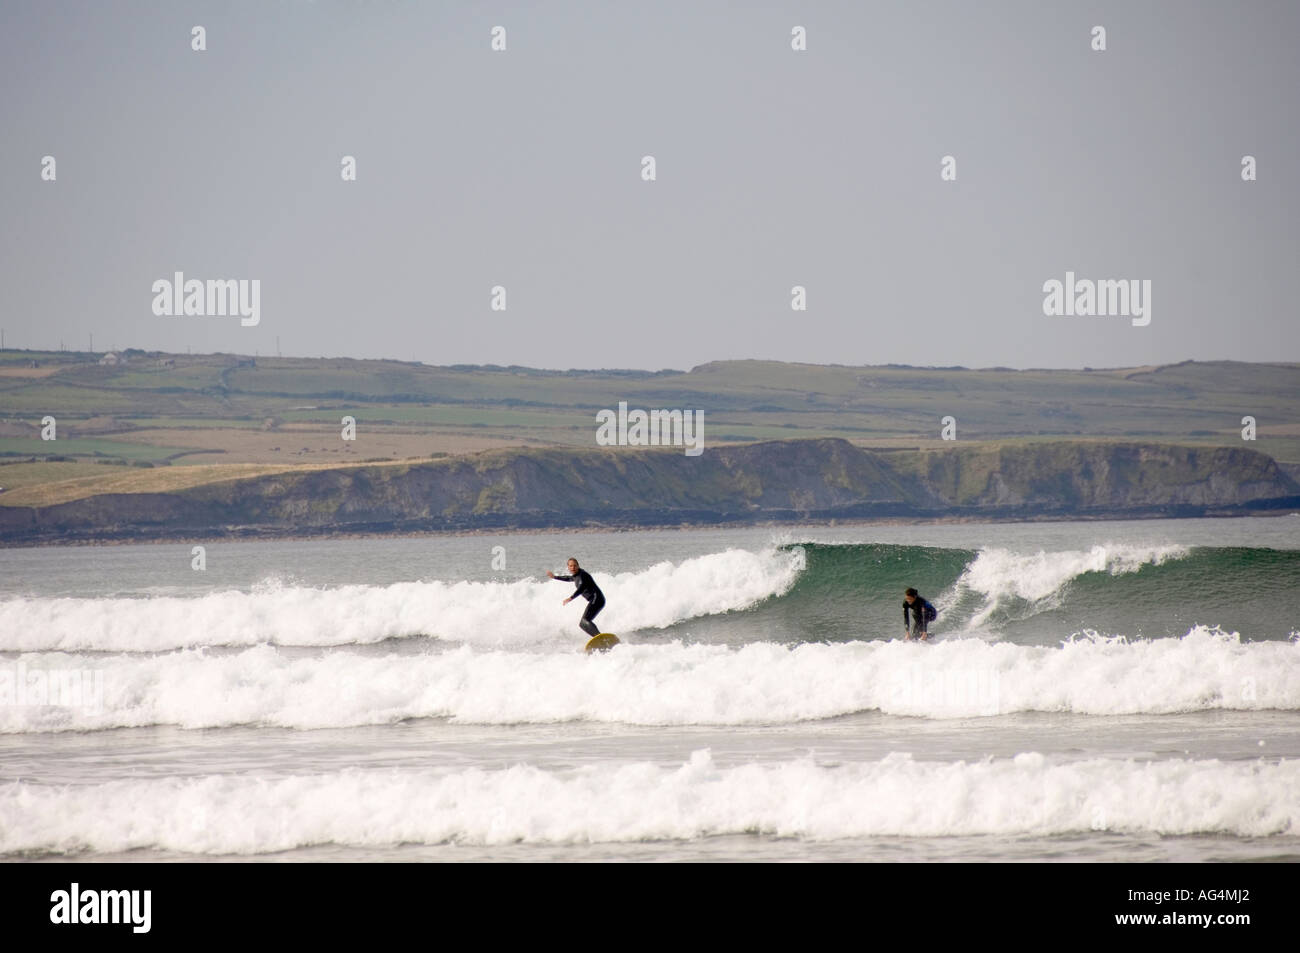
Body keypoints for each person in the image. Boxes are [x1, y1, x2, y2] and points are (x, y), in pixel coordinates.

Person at [548, 557, 606, 637]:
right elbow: (568, 578)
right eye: (571, 566)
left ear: (578, 566)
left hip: (597, 599)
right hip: (595, 600)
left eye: (575, 566)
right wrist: (554, 577)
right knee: (583, 624)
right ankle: (598, 637)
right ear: (568, 567)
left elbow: (581, 588)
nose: (573, 568)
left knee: (585, 620)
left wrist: (571, 598)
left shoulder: (583, 575)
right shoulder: (576, 576)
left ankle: (600, 637)